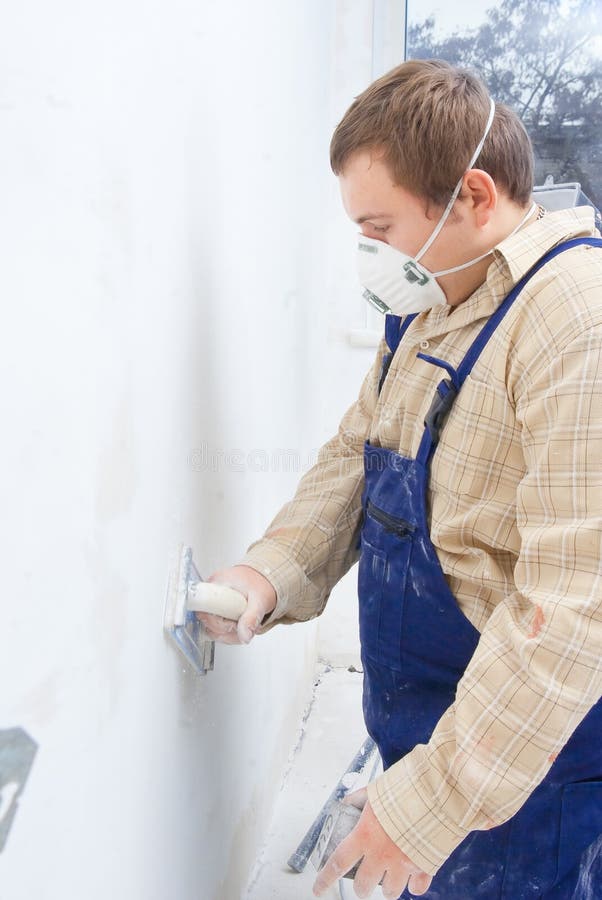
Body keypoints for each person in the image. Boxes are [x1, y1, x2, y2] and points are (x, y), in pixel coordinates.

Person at [197, 59, 602, 899]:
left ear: (474, 196)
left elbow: (576, 606)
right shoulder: (430, 303)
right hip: (432, 724)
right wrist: (273, 570)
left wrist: (432, 802)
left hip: (529, 763)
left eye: (379, 228)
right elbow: (359, 453)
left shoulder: (573, 316)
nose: (371, 256)